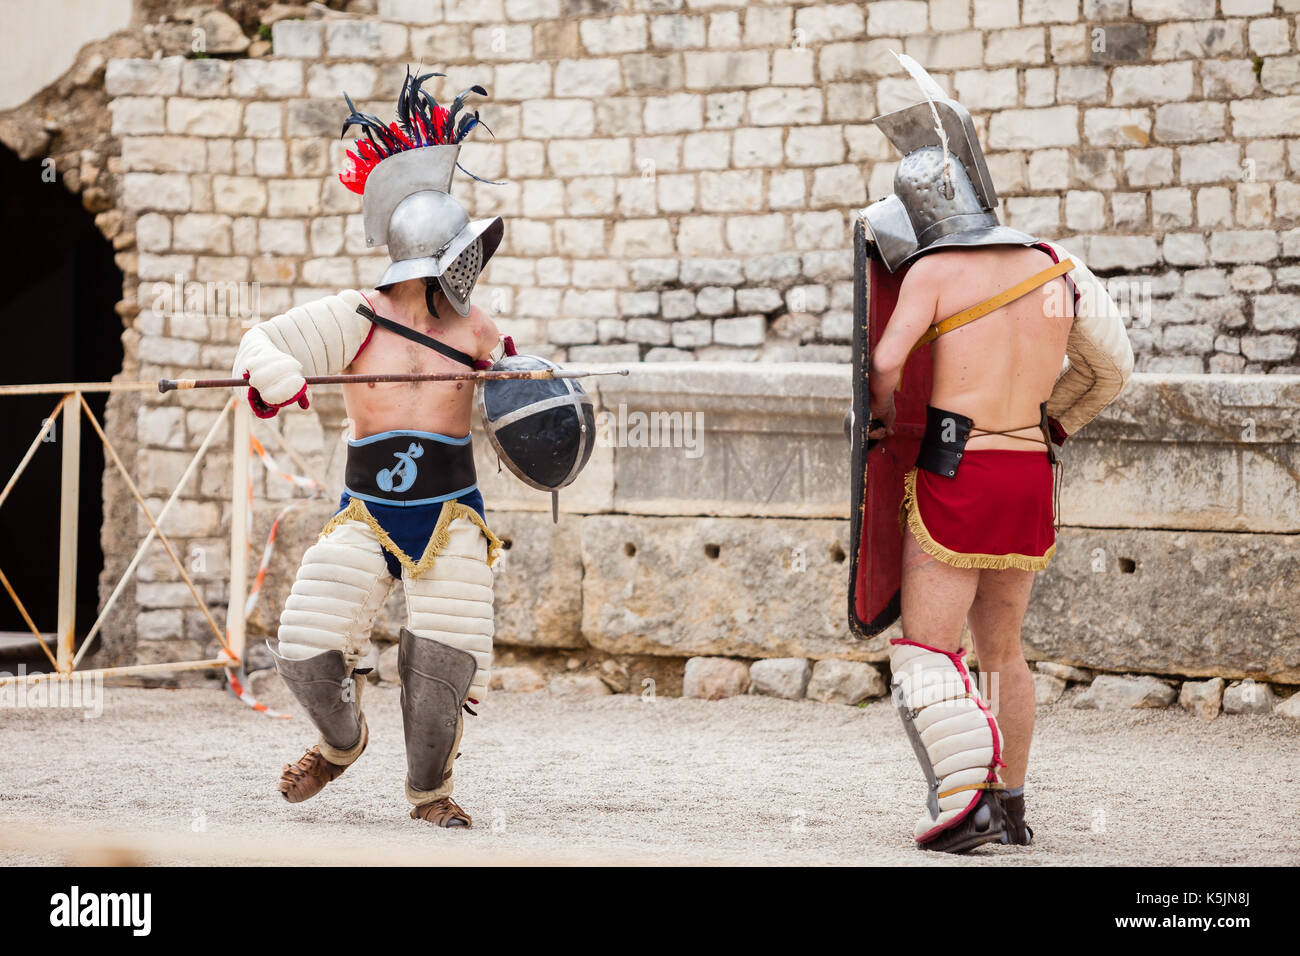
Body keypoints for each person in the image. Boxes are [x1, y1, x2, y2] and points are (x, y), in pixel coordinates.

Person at [860, 56, 1133, 851]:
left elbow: (884, 365)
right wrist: (1057, 421)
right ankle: (1010, 805)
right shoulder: (1051, 264)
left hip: (959, 470)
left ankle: (963, 804)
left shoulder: (936, 269)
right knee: (1004, 652)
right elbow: (1110, 367)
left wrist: (881, 420)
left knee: (925, 649)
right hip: (1028, 471)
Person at [232, 70, 505, 828]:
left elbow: (522, 396)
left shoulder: (479, 328)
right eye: (459, 251)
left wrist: (533, 388)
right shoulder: (353, 313)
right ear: (429, 252)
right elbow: (260, 342)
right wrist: (278, 373)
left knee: (443, 661)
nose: (470, 263)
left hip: (453, 512)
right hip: (367, 509)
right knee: (306, 647)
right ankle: (340, 743)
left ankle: (431, 794)